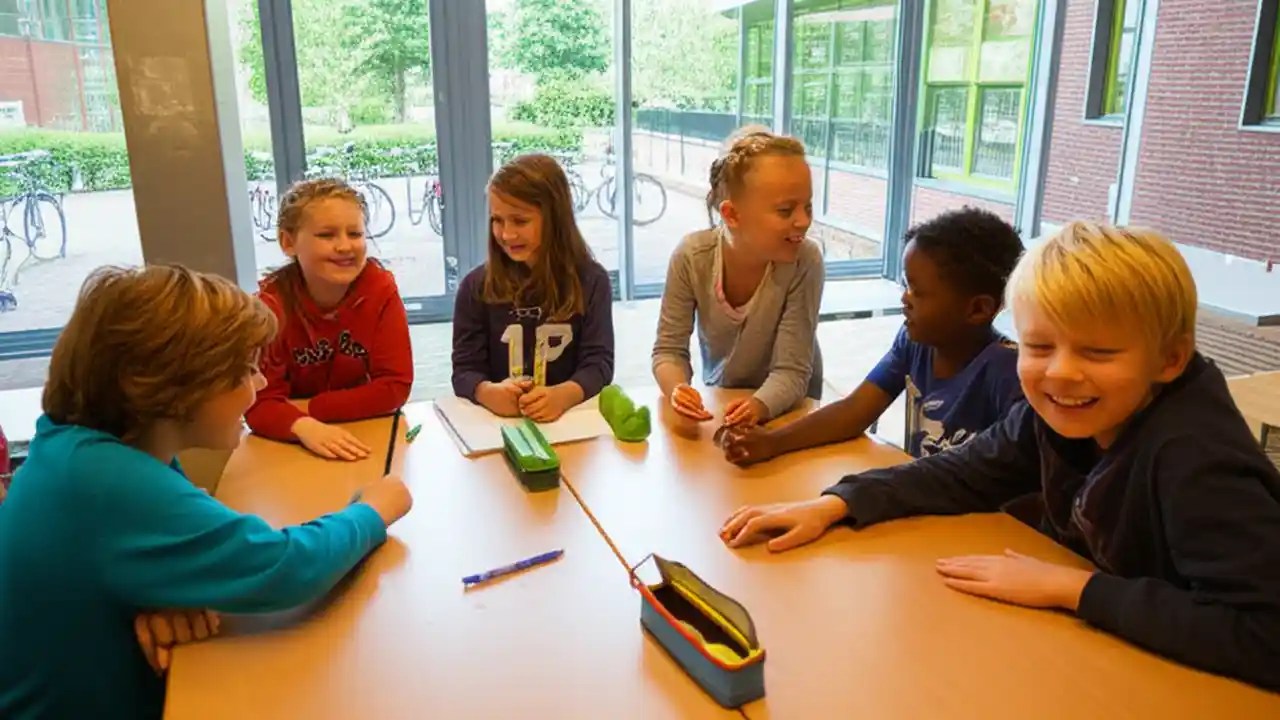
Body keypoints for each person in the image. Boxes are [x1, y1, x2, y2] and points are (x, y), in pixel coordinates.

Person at [720, 222, 1280, 691]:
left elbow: (1264, 636)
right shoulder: (1063, 412)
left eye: (1099, 352)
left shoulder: (1196, 459)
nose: (1059, 372)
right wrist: (838, 504)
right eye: (1039, 346)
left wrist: (1072, 589)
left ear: (1170, 359)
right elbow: (964, 472)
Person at [0, 265, 413, 718]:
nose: (258, 384)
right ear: (175, 387)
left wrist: (166, 591)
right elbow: (285, 568)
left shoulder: (77, 447)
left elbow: (132, 548)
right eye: (245, 369)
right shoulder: (105, 480)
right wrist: (372, 511)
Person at [724, 207, 1023, 464]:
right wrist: (772, 442)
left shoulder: (1007, 370)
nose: (905, 299)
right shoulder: (913, 343)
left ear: (978, 309)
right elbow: (854, 411)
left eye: (918, 291)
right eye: (906, 285)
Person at [652, 127, 823, 428]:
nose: (804, 221)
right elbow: (668, 351)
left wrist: (759, 405)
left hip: (789, 409)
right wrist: (678, 389)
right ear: (731, 215)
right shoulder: (692, 257)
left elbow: (792, 371)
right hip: (723, 403)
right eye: (786, 210)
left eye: (807, 206)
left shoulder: (805, 260)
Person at [245, 178, 413, 461]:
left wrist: (307, 409)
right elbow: (257, 403)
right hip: (291, 442)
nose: (345, 246)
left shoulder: (381, 291)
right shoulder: (270, 306)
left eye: (355, 234)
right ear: (288, 242)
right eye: (326, 235)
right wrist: (302, 425)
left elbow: (394, 387)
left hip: (365, 432)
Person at [452, 153, 615, 423]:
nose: (506, 234)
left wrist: (564, 395)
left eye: (520, 221)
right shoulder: (475, 287)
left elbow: (599, 364)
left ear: (555, 218)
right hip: (500, 428)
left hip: (568, 423)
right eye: (497, 220)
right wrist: (487, 392)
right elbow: (464, 370)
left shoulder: (592, 281)